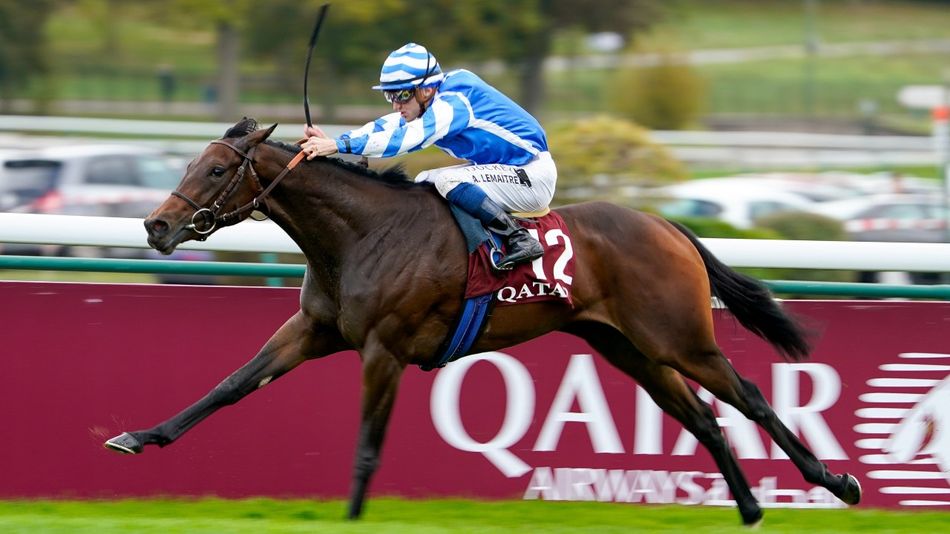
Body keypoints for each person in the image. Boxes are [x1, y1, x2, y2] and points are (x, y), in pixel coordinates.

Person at [301, 42, 557, 270]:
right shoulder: (432, 101)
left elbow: (406, 139)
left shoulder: (453, 102)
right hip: (510, 171)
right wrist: (335, 142)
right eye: (389, 95)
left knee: (447, 182)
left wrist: (337, 146)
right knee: (426, 179)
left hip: (531, 175)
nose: (395, 104)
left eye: (400, 95)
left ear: (425, 90)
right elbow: (387, 126)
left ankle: (518, 238)